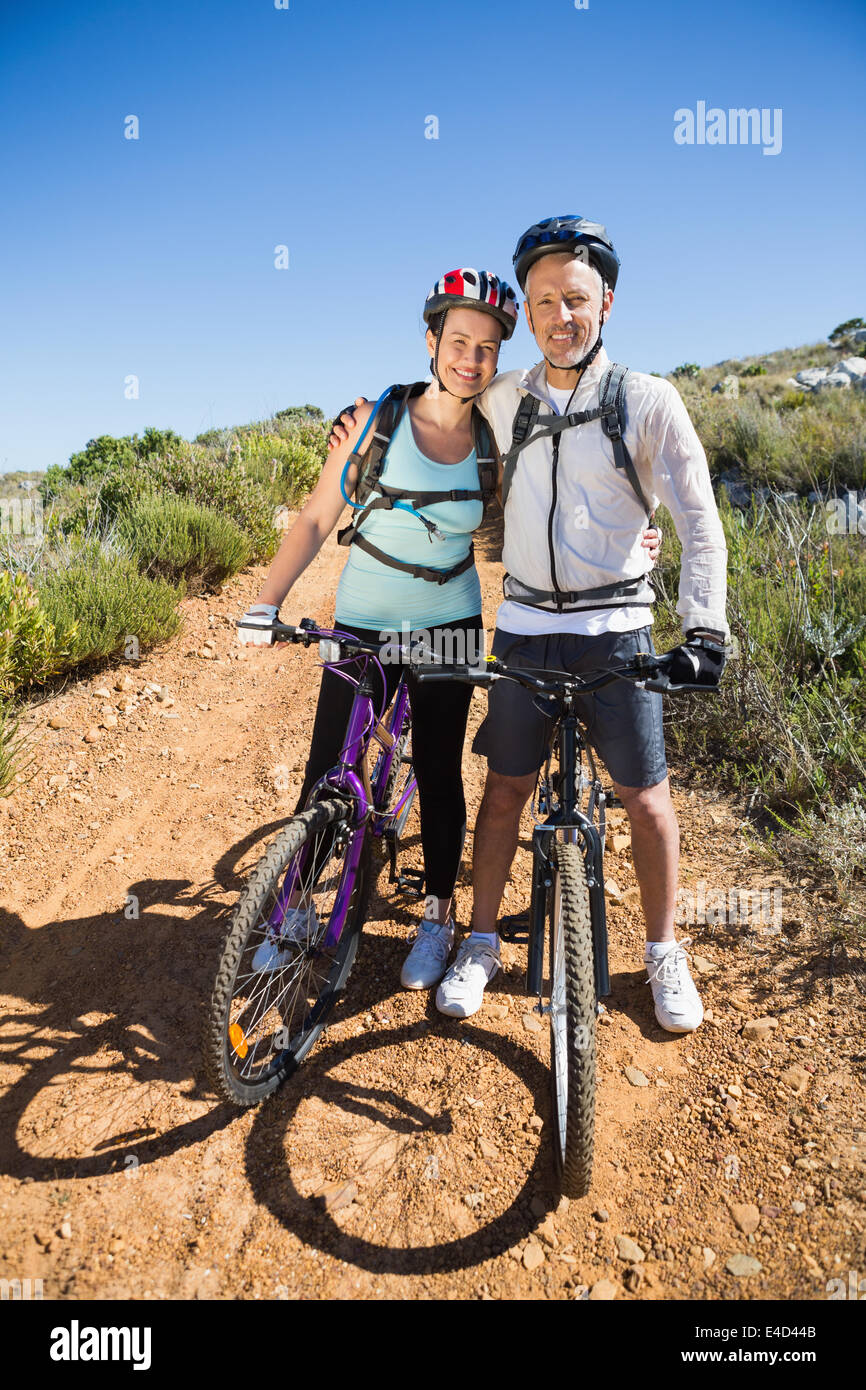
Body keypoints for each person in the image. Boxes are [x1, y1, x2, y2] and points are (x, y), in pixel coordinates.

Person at [329, 216, 729, 1032]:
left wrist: (704, 629)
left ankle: (661, 952)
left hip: (616, 629)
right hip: (521, 627)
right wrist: (360, 419)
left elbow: (697, 516)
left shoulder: (648, 401)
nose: (559, 315)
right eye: (544, 301)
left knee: (646, 799)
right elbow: (436, 407)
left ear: (606, 302)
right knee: (505, 790)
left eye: (575, 298)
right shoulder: (505, 398)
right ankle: (479, 939)